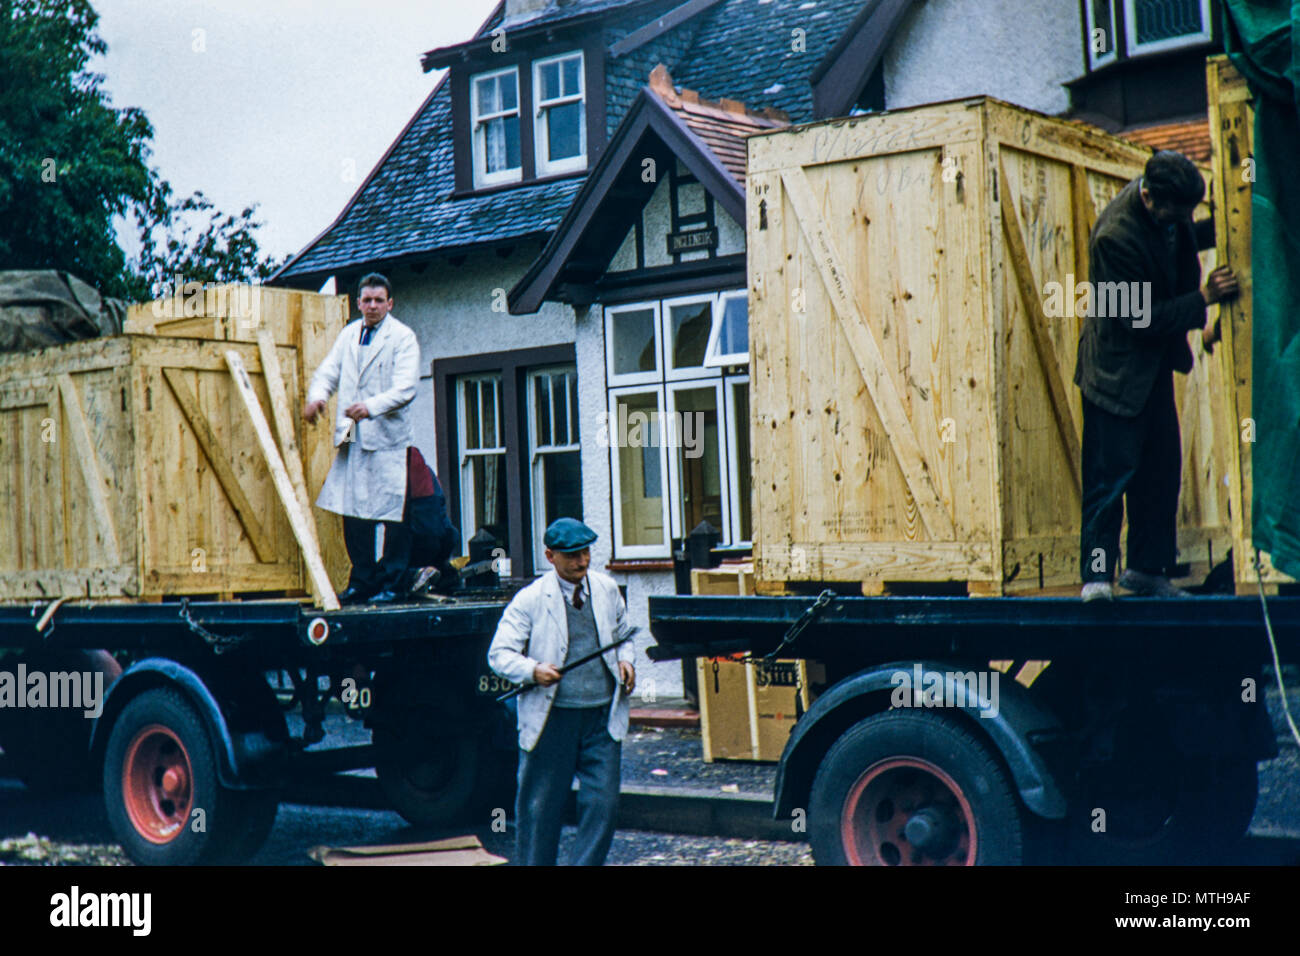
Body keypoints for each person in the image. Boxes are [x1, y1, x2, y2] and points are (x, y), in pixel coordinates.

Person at [1074, 151, 1239, 601]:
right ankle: (1096, 577)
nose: (1184, 220)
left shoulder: (1171, 209)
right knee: (1110, 478)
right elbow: (1138, 319)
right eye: (1178, 213)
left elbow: (1186, 233)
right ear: (1148, 197)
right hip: (1114, 373)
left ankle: (1146, 571)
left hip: (1151, 370)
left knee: (1160, 471)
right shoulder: (1115, 237)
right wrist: (1203, 297)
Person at [487, 518, 637, 866]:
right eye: (571, 556)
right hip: (553, 720)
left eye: (585, 553)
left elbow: (624, 635)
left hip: (602, 717)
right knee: (540, 810)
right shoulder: (531, 599)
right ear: (549, 556)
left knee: (603, 805)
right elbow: (499, 654)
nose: (581, 562)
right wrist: (533, 670)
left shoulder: (606, 588)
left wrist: (627, 663)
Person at [302, 273, 420, 604]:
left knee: (393, 514)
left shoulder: (403, 338)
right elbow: (328, 372)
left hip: (388, 437)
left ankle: (394, 584)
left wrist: (370, 407)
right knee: (352, 512)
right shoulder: (349, 334)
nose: (372, 306)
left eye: (378, 300)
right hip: (352, 434)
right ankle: (362, 580)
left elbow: (407, 388)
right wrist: (319, 397)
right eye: (366, 300)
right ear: (358, 303)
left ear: (390, 303)